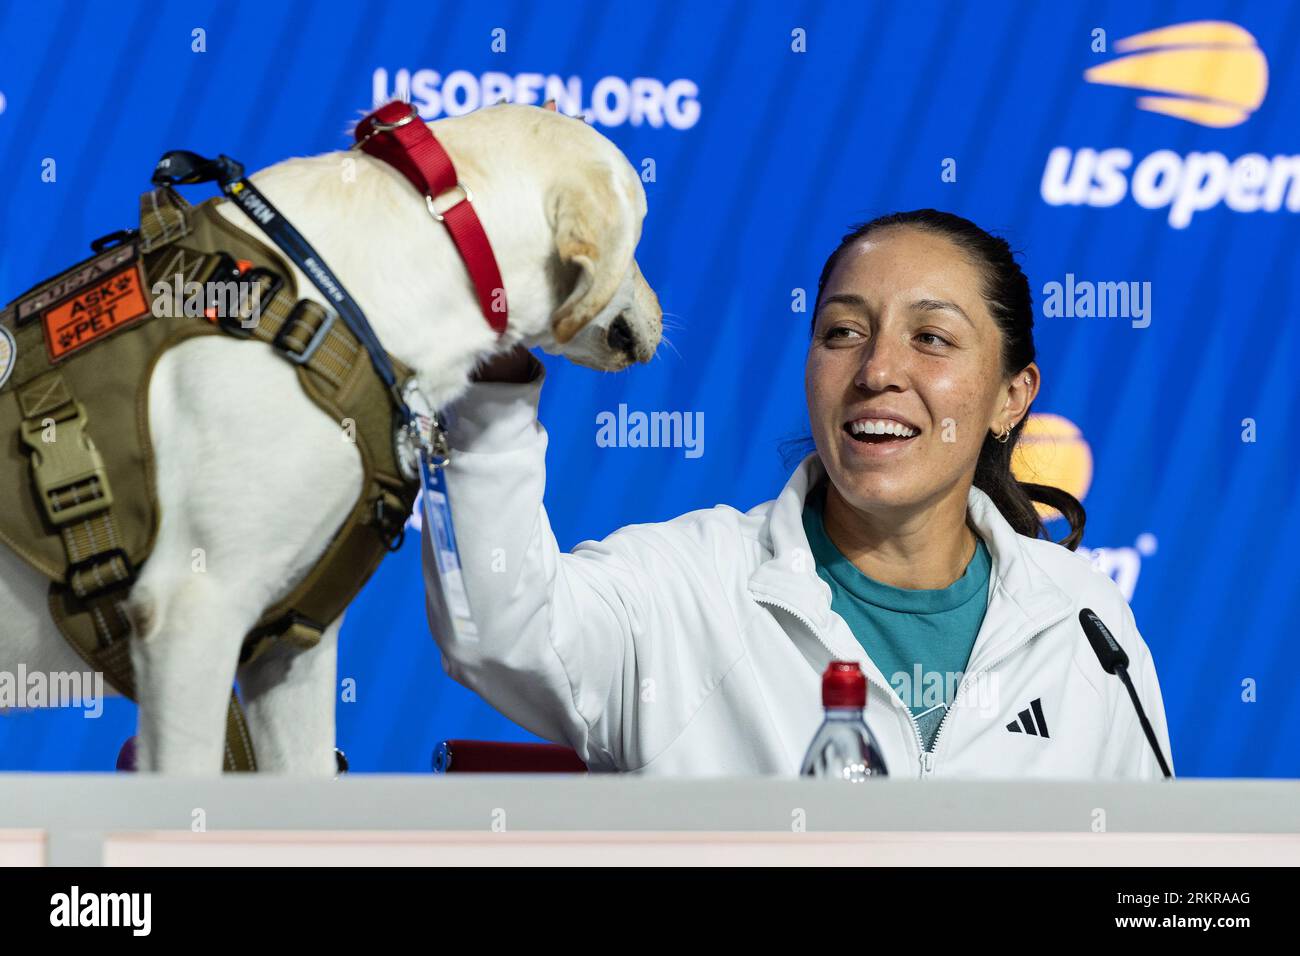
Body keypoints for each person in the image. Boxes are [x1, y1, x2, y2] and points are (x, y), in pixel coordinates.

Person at [422, 209, 1174, 779]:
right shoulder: (686, 589)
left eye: (932, 339)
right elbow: (499, 629)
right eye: (843, 333)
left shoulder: (1085, 622)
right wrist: (489, 391)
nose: (878, 369)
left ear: (1012, 398)